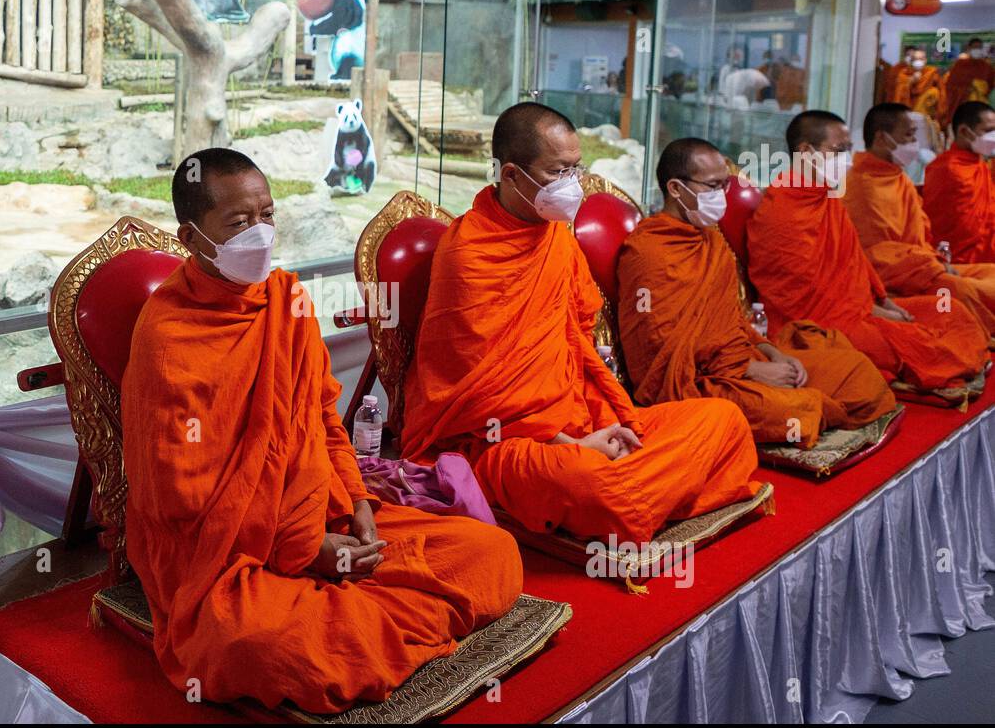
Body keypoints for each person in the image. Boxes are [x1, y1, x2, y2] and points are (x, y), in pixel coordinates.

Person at [120, 147, 522, 714]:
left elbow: (322, 419)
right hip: (226, 558)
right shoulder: (170, 339)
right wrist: (307, 551)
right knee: (262, 647)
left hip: (324, 514)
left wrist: (357, 504)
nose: (258, 234)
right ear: (191, 238)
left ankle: (367, 627)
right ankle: (368, 625)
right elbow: (180, 502)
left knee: (492, 552)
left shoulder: (286, 301)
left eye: (266, 215)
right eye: (237, 223)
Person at [401, 103, 762, 547]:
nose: (574, 184)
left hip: (583, 416)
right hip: (506, 444)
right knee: (593, 483)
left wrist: (598, 426)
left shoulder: (555, 236)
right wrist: (568, 445)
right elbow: (474, 402)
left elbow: (579, 343)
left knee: (724, 420)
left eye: (577, 167)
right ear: (510, 174)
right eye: (559, 172)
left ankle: (639, 493)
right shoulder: (470, 254)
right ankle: (651, 490)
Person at [617, 137, 896, 447]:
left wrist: (773, 353)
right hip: (697, 383)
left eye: (725, 185)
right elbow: (661, 347)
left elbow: (733, 319)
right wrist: (752, 372)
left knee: (859, 374)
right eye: (712, 186)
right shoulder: (647, 252)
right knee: (795, 410)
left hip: (742, 360)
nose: (721, 195)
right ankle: (812, 408)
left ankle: (814, 407)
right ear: (675, 189)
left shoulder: (711, 240)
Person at [746, 111, 988, 394]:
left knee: (949, 310)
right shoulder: (782, 212)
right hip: (823, 326)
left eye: (849, 149)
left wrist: (883, 301)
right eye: (839, 150)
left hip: (860, 307)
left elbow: (855, 261)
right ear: (805, 152)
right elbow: (798, 299)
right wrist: (870, 311)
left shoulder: (827, 198)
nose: (847, 158)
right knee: (914, 343)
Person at [844, 102, 995, 335]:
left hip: (925, 264)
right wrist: (931, 265)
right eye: (908, 136)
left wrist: (935, 261)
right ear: (882, 138)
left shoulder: (898, 177)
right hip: (903, 276)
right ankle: (978, 342)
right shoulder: (863, 186)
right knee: (960, 291)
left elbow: (921, 235)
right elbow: (874, 256)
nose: (914, 144)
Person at [922, 100, 995, 264]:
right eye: (989, 130)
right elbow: (950, 227)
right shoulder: (947, 169)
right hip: (958, 258)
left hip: (986, 252)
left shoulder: (980, 164)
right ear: (964, 131)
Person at [939, 38, 995, 129]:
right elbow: (950, 86)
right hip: (963, 102)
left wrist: (980, 88)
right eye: (975, 47)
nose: (977, 50)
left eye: (979, 47)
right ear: (969, 48)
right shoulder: (960, 65)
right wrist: (967, 89)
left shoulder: (987, 66)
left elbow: (991, 86)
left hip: (982, 104)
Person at [884, 46, 943, 119]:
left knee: (934, 91)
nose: (918, 62)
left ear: (925, 60)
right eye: (915, 59)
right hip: (908, 111)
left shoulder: (931, 73)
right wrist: (910, 81)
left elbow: (942, 95)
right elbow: (898, 95)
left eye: (921, 59)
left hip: (926, 115)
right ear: (911, 61)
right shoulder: (903, 74)